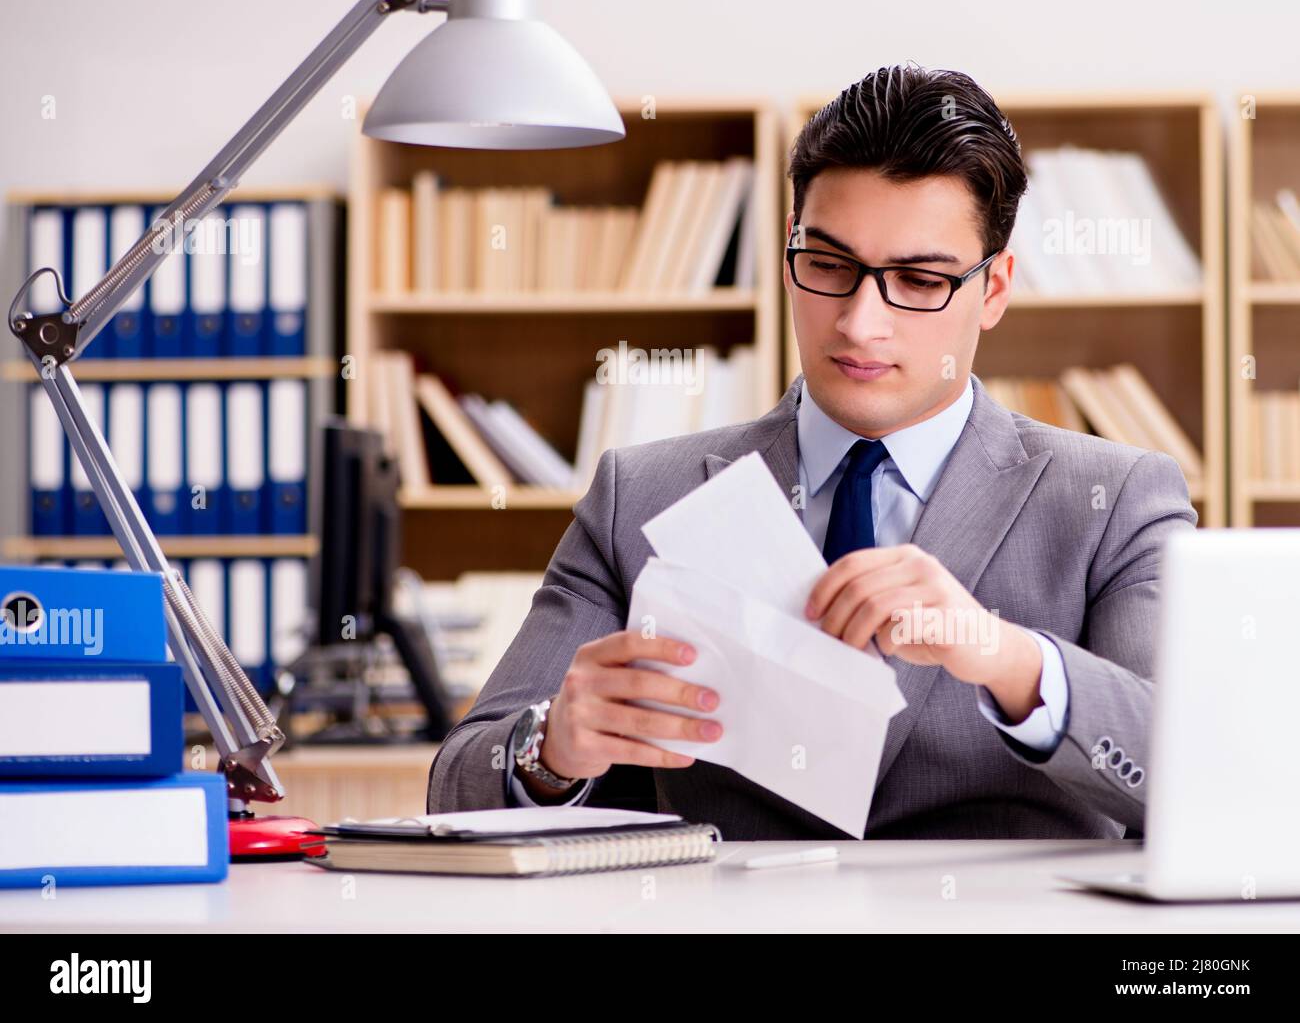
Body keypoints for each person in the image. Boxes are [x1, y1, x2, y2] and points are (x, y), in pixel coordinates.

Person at [426, 63, 1197, 839]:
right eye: (827, 265)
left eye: (920, 280)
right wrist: (548, 750)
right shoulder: (642, 493)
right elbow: (457, 785)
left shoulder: (1114, 499)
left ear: (993, 289)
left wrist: (1006, 657)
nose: (860, 324)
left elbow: (1196, 783)